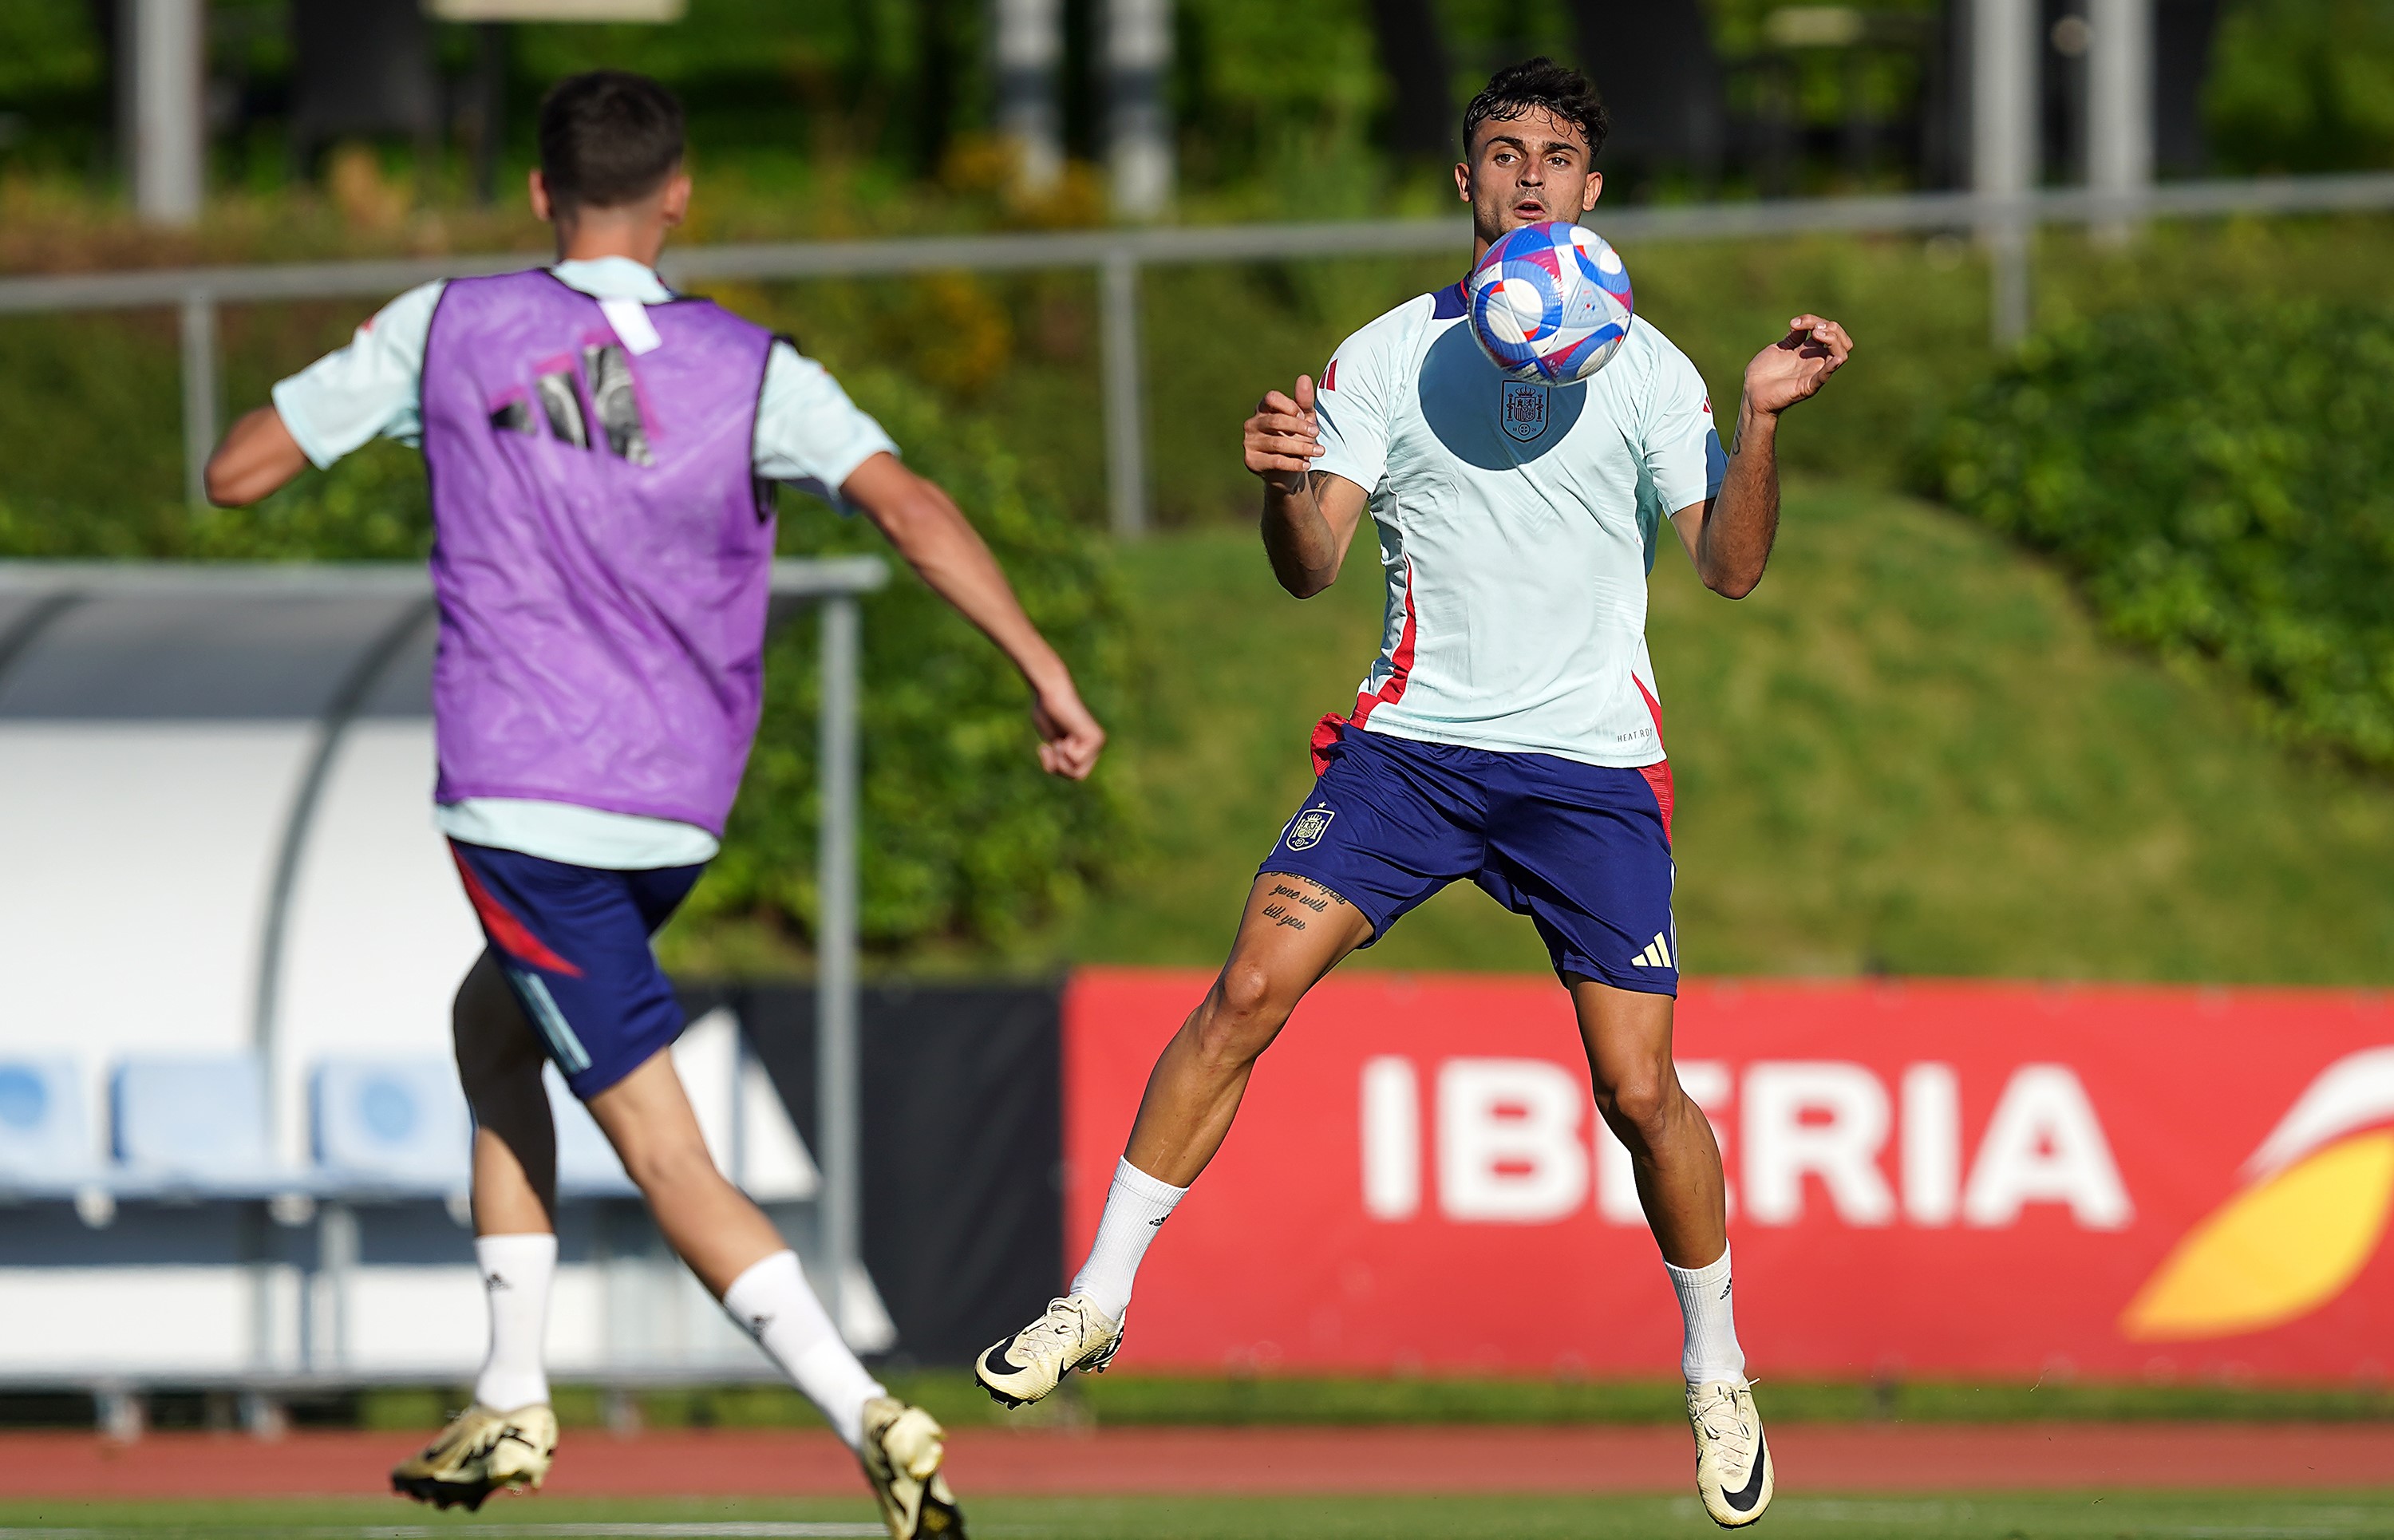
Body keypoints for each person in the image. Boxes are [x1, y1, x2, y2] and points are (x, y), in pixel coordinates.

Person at [206, 69, 1105, 1540]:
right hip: (676, 812)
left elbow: (238, 471)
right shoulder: (759, 370)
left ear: (539, 195)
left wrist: (397, 400)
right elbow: (911, 507)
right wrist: (1044, 670)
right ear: (680, 195)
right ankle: (510, 1386)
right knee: (494, 1025)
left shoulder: (448, 326)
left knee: (662, 1146)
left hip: (523, 799)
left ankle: (862, 1409)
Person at [975, 57, 1850, 1528]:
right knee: (1246, 991)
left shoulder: (1650, 367)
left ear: (1591, 189)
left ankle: (1716, 1365)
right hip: (1412, 755)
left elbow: (1732, 568)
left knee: (1638, 1090)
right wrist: (1280, 481)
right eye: (1503, 151)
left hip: (1587, 770)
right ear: (1465, 180)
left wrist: (1760, 420)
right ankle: (1096, 1297)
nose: (1529, 174)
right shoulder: (1387, 355)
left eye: (1557, 156)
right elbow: (1311, 563)